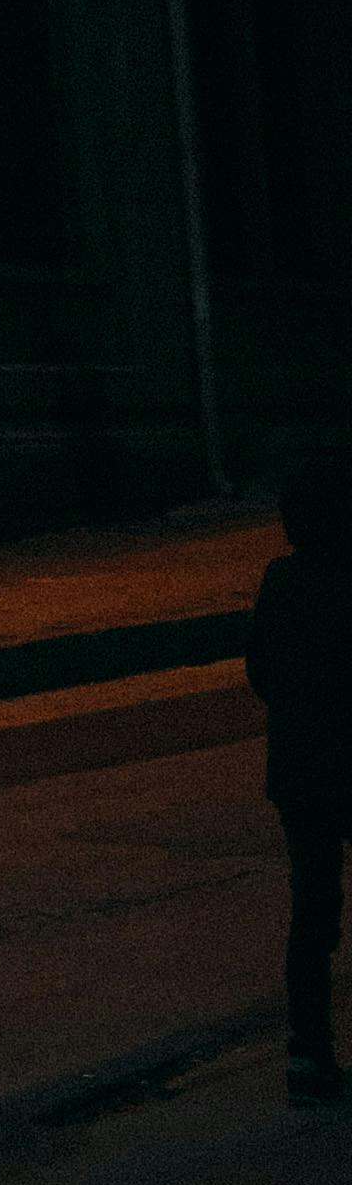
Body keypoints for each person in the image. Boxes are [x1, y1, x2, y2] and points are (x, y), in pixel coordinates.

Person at [251, 454, 352, 1108]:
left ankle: (307, 1052)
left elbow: (262, 672)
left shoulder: (280, 581)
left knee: (312, 913)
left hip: (299, 770)